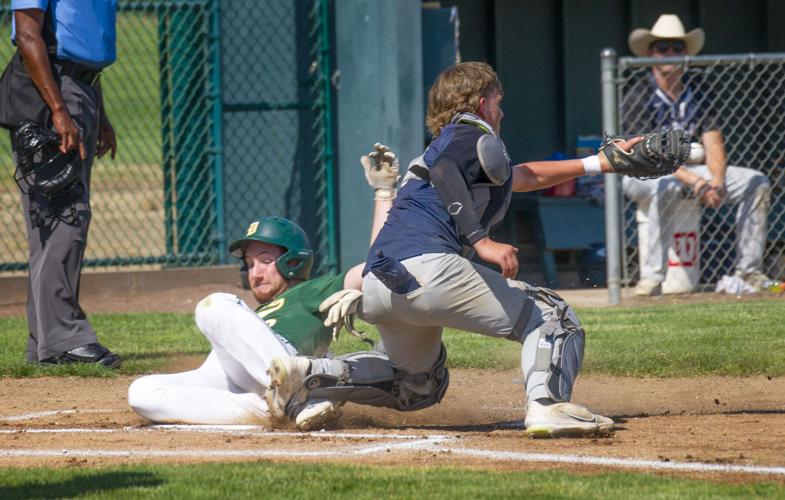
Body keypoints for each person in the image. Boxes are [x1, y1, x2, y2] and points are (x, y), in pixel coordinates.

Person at [265, 62, 649, 437]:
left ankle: (313, 376)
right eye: (498, 101)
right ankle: (548, 406)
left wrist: (597, 163)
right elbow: (448, 170)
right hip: (429, 269)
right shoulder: (469, 134)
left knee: (417, 385)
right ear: (482, 104)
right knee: (553, 317)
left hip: (380, 282)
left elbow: (520, 177)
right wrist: (482, 240)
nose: (502, 110)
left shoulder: (447, 146)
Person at [127, 144, 399, 430]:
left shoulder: (312, 291)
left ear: (293, 262)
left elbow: (377, 264)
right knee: (143, 392)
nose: (254, 273)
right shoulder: (253, 318)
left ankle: (293, 388)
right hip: (242, 375)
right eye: (250, 263)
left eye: (265, 260)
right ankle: (275, 409)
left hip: (287, 361)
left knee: (213, 304)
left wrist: (384, 194)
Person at [622, 14, 772, 296]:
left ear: (686, 53)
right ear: (650, 53)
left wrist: (715, 181)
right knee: (662, 186)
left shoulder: (698, 89)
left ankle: (749, 271)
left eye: (676, 47)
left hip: (690, 173)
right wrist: (696, 182)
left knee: (757, 182)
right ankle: (652, 279)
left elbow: (712, 140)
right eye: (662, 48)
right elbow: (649, 155)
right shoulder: (638, 93)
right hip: (641, 173)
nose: (669, 54)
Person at [8, 1, 120, 367]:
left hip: (80, 89)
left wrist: (98, 112)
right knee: (63, 217)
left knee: (55, 219)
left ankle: (45, 340)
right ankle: (64, 337)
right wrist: (58, 110)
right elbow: (27, 34)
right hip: (51, 91)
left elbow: (87, 54)